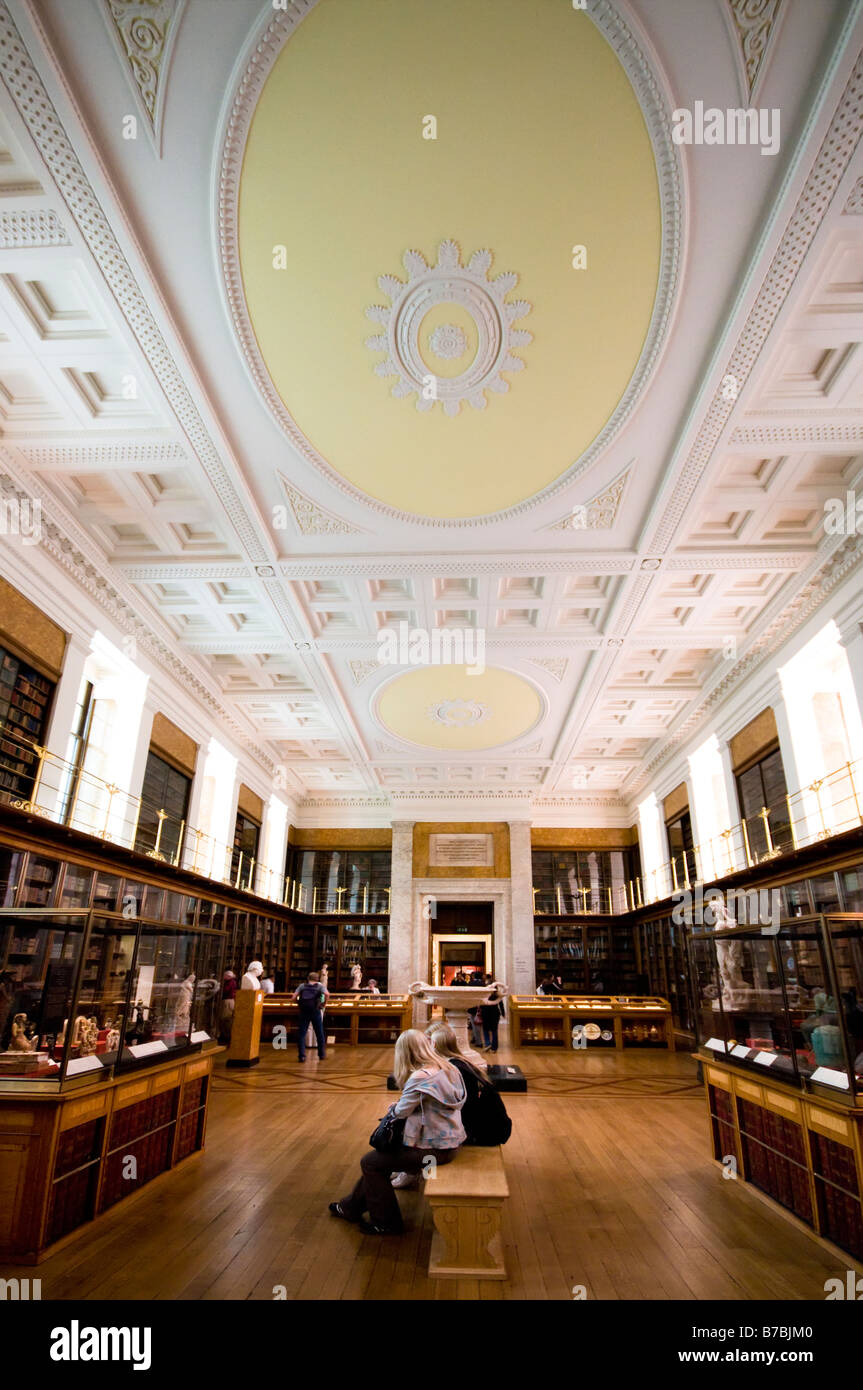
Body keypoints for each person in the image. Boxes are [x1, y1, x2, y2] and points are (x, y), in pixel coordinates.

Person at [329, 1029, 466, 1234]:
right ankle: (350, 1207)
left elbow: (401, 1112)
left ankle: (386, 1222)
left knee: (371, 1162)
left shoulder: (420, 1076)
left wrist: (393, 1108)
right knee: (377, 1161)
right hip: (450, 1140)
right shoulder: (447, 1067)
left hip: (433, 1149)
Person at [425, 1021, 512, 1146]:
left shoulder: (456, 1068)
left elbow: (467, 1107)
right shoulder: (458, 1062)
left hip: (482, 1132)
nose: (426, 1046)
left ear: (437, 1043)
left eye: (429, 1041)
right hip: (482, 1126)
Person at [293, 971, 329, 1062]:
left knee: (301, 1034)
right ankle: (321, 1054)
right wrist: (324, 1004)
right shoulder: (320, 986)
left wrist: (298, 1003)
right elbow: (327, 994)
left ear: (308, 978)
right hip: (315, 1010)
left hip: (304, 1011)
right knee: (319, 1033)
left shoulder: (302, 986)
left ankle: (302, 1056)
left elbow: (293, 997)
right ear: (317, 979)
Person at [479, 976, 504, 1053]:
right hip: (495, 1013)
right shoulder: (497, 994)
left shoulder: (485, 994)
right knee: (494, 1030)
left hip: (485, 1013)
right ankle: (494, 1048)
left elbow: (481, 1004)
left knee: (485, 1029)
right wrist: (503, 1013)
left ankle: (487, 1044)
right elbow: (501, 1004)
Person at [218, 970, 236, 1044]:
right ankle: (225, 1035)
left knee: (225, 1019)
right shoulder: (231, 982)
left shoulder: (230, 982)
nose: (223, 977)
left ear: (228, 976)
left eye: (224, 976)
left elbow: (225, 990)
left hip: (227, 1001)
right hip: (229, 1001)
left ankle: (226, 1036)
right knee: (225, 1019)